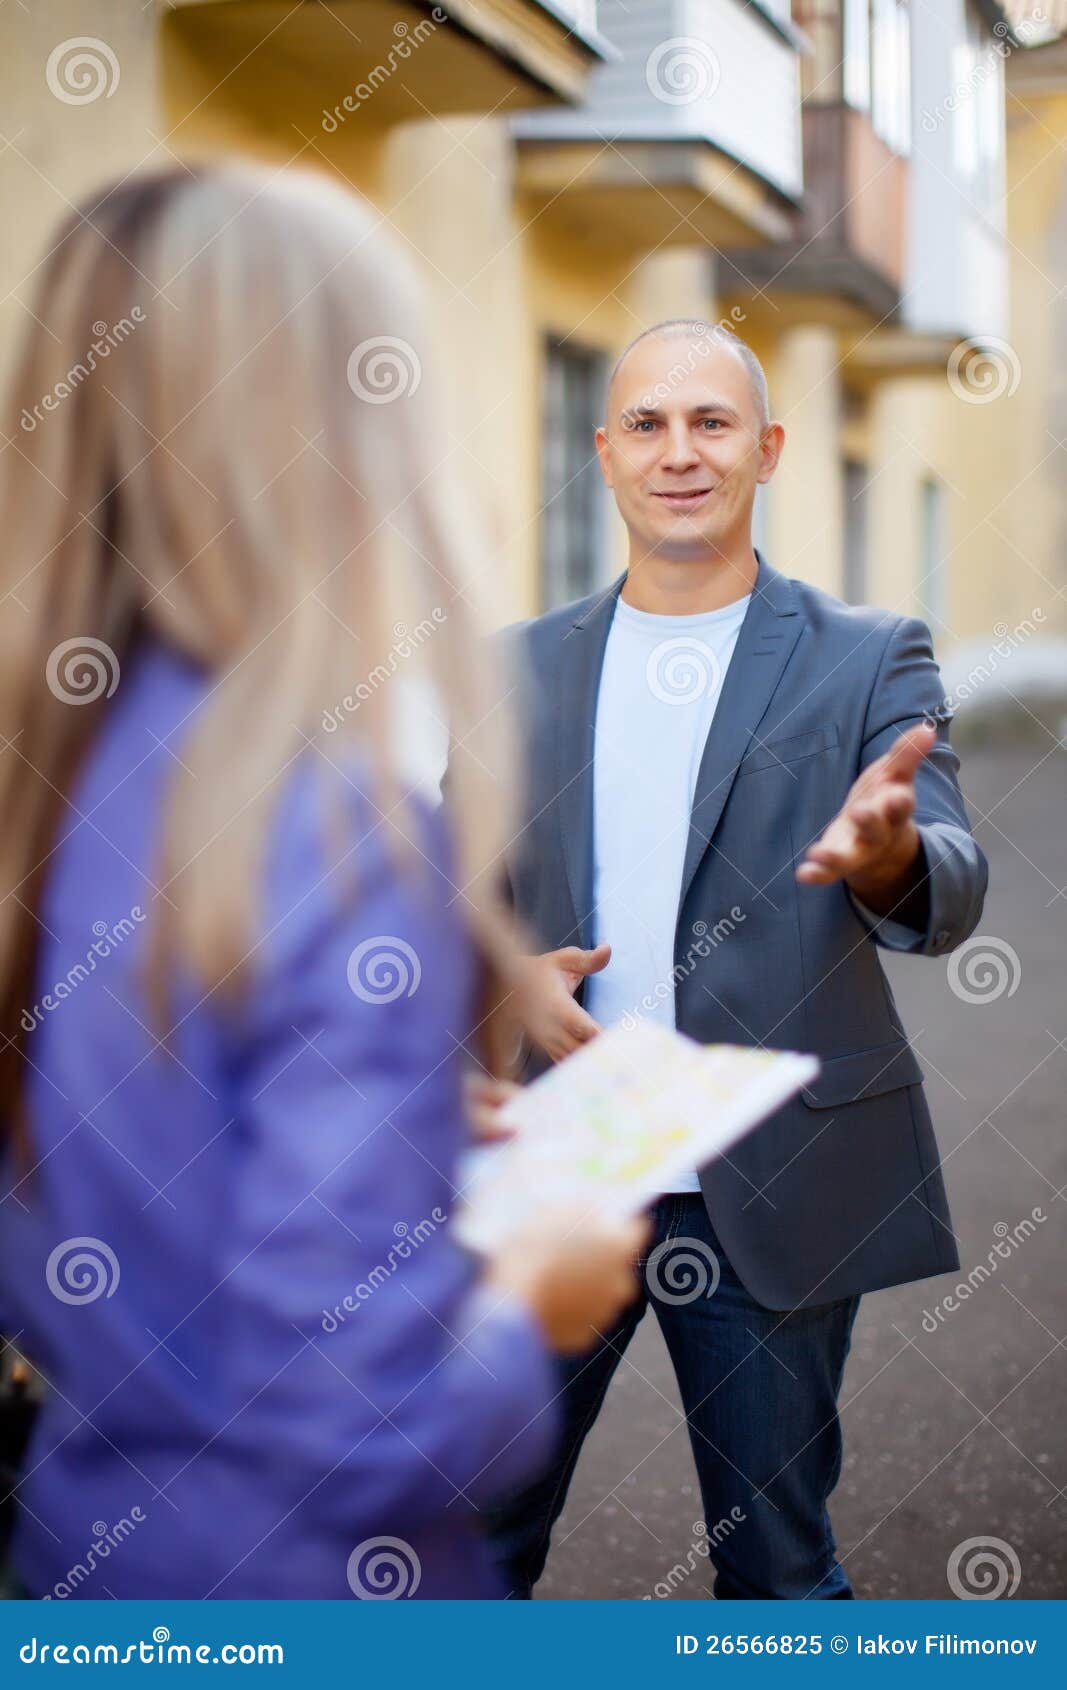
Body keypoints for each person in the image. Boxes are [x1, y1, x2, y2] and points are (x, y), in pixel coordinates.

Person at [0, 165, 644, 1600]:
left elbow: (119, 1186)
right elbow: (363, 1427)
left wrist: (397, 1130)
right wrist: (533, 1295)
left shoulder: (47, 783)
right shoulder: (327, 828)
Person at [487, 319, 988, 1599]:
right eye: (647, 425)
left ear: (764, 450)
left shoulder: (867, 653)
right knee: (463, 1540)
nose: (678, 453)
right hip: (567, 1153)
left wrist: (882, 859)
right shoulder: (515, 666)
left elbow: (949, 871)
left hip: (774, 1151)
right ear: (603, 453)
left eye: (710, 424)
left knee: (773, 1560)